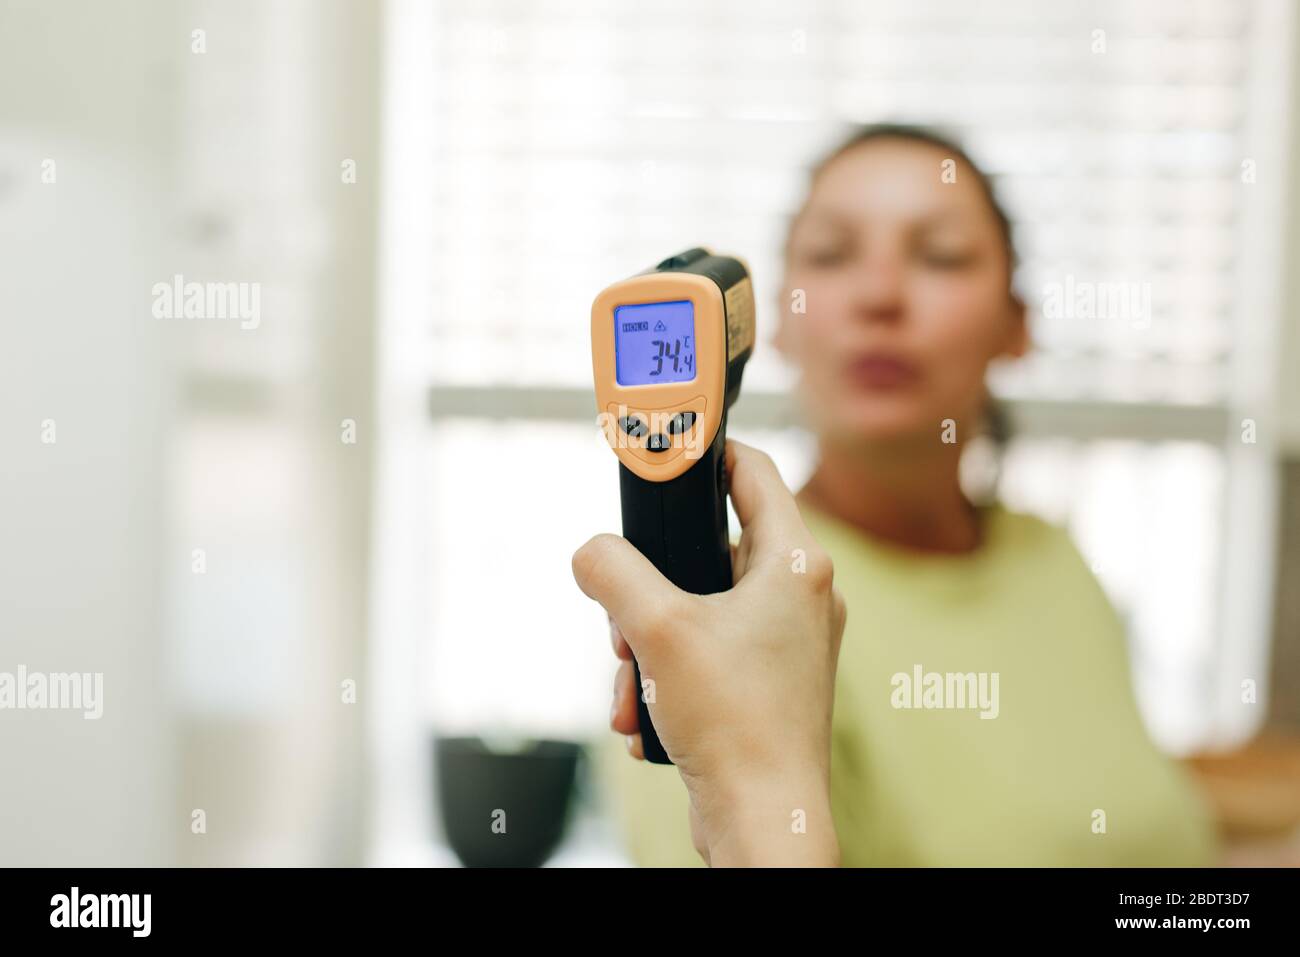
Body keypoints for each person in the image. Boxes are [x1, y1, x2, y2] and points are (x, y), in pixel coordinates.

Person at [576, 124, 1220, 867]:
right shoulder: (719, 624)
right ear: (773, 322)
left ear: (1016, 327)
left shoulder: (1053, 557)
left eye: (940, 256)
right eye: (831, 255)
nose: (880, 295)